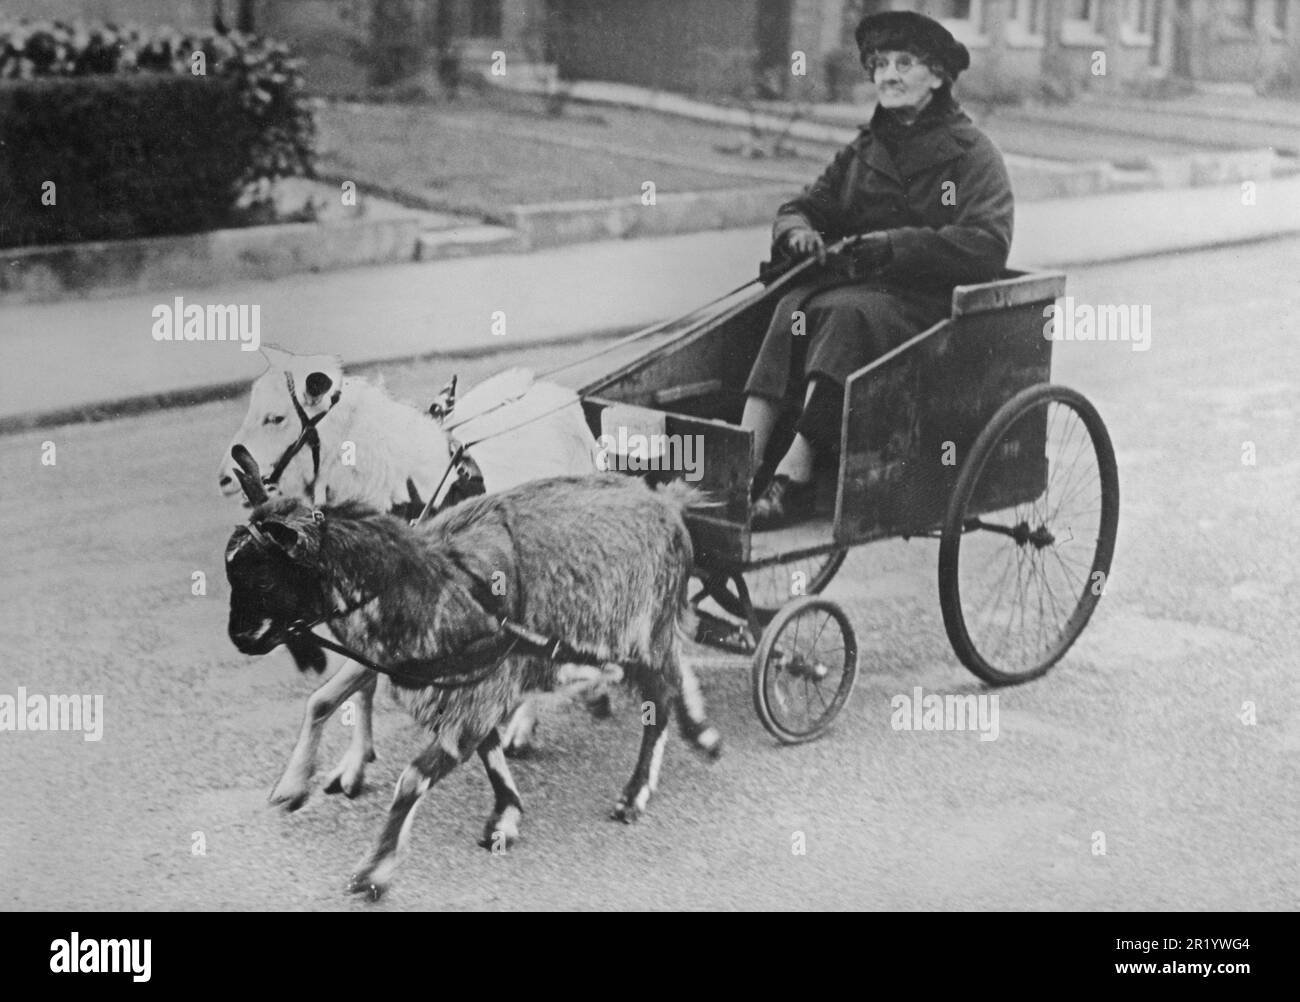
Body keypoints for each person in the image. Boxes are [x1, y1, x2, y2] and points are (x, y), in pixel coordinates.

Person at [744, 10, 1015, 528]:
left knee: (847, 315)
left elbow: (988, 244)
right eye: (880, 63)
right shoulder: (864, 151)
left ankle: (795, 476)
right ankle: (738, 472)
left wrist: (896, 248)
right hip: (867, 297)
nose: (887, 75)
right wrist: (797, 232)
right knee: (791, 306)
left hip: (935, 314)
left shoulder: (974, 155)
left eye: (904, 63)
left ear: (936, 76)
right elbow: (801, 206)